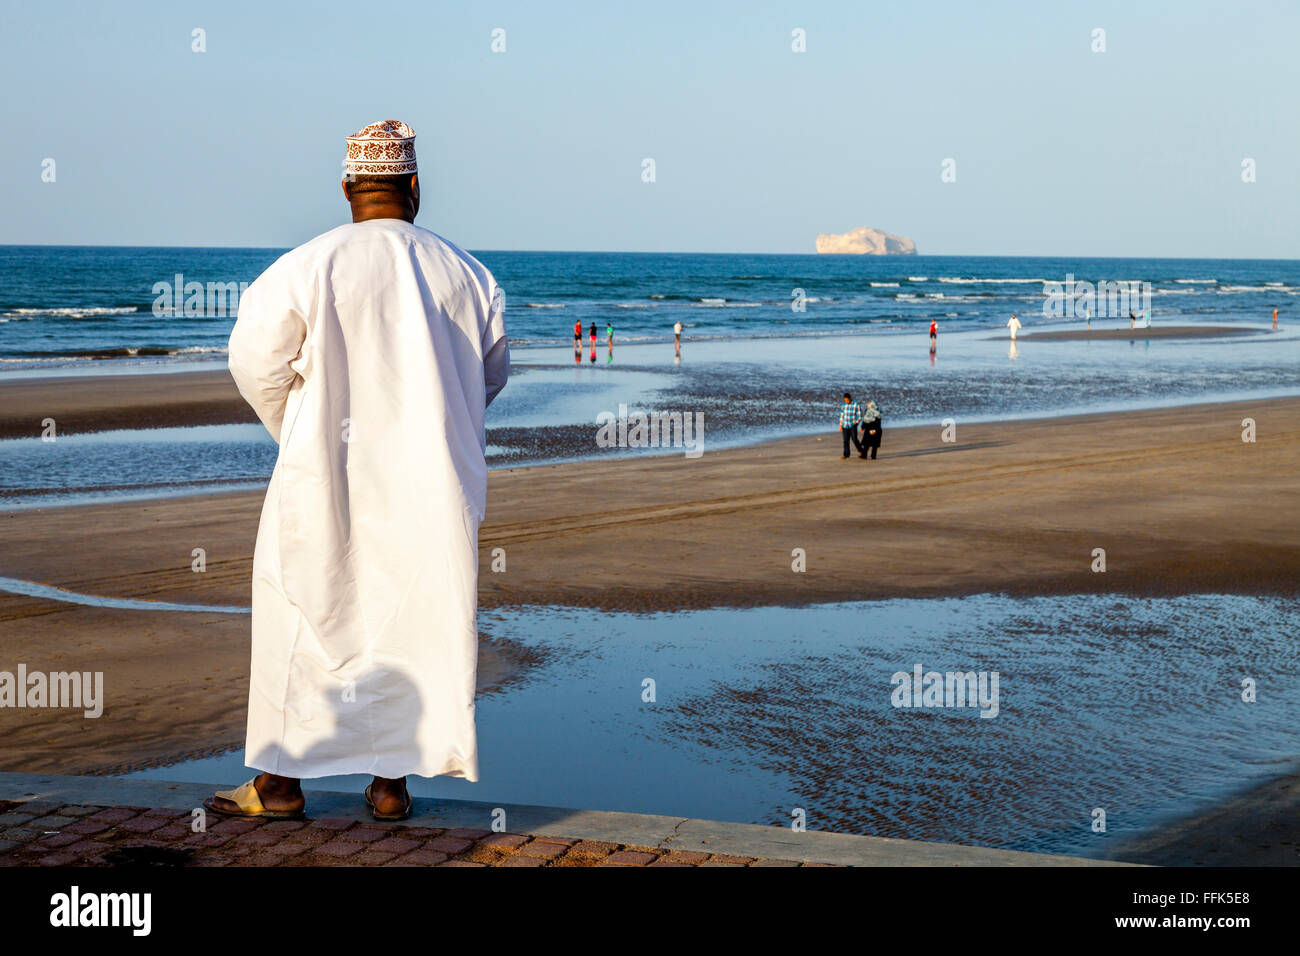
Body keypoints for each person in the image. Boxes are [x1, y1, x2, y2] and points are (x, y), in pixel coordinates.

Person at [207, 120, 509, 823]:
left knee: (306, 611)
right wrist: (432, 426)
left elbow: (254, 364)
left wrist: (299, 430)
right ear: (414, 187)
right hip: (430, 483)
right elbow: (487, 374)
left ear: (347, 187)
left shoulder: (305, 265)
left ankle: (279, 786)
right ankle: (390, 787)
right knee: (412, 614)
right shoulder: (465, 273)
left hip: (323, 475)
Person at [839, 392, 864, 459]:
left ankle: (860, 450)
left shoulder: (856, 405)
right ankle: (846, 455)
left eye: (847, 400)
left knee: (854, 439)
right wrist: (840, 425)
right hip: (845, 425)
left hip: (853, 424)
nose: (846, 401)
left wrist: (856, 422)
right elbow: (842, 415)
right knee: (845, 441)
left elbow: (860, 415)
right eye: (845, 400)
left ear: (850, 398)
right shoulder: (843, 405)